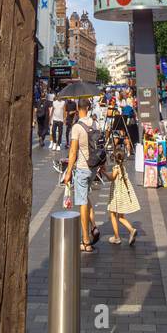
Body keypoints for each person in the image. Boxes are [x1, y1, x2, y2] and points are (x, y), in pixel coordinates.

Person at [62, 99, 101, 252]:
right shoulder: (95, 123)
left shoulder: (77, 127)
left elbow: (72, 152)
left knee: (82, 202)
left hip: (82, 168)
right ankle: (94, 227)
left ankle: (85, 240)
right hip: (94, 167)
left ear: (78, 109)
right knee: (85, 196)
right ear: (89, 108)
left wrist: (68, 172)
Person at [103, 147, 141, 245]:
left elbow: (112, 177)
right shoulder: (122, 167)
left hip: (117, 195)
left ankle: (117, 237)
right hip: (122, 194)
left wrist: (104, 173)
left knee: (112, 214)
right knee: (120, 217)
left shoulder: (116, 168)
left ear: (114, 158)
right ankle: (131, 230)